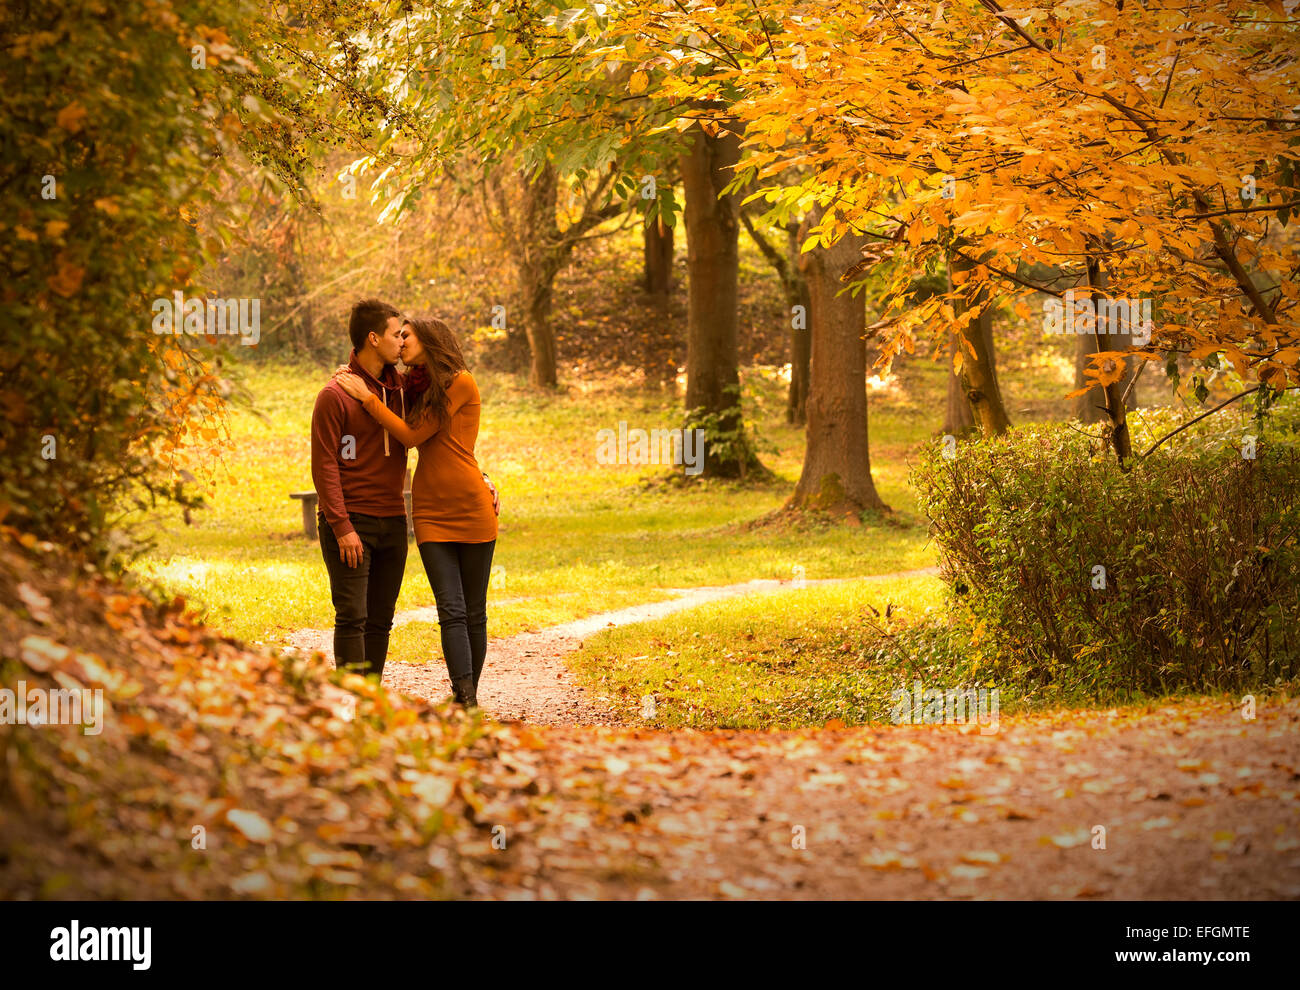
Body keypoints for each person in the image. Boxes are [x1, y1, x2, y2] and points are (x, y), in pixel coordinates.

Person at [335, 316, 498, 708]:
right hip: (428, 511)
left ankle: (464, 702)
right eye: (398, 335)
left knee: (474, 612)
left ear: (430, 339)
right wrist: (354, 375)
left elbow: (411, 435)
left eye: (407, 335)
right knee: (451, 610)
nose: (401, 342)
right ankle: (466, 700)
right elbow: (376, 371)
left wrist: (367, 399)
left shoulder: (460, 381)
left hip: (471, 506)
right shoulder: (414, 386)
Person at [310, 298, 414, 679]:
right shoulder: (333, 396)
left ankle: (370, 704)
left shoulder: (404, 391)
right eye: (395, 334)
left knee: (380, 621)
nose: (402, 341)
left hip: (393, 521)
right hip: (352, 522)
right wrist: (342, 527)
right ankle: (352, 706)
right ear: (373, 338)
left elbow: (443, 433)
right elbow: (324, 467)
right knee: (353, 616)